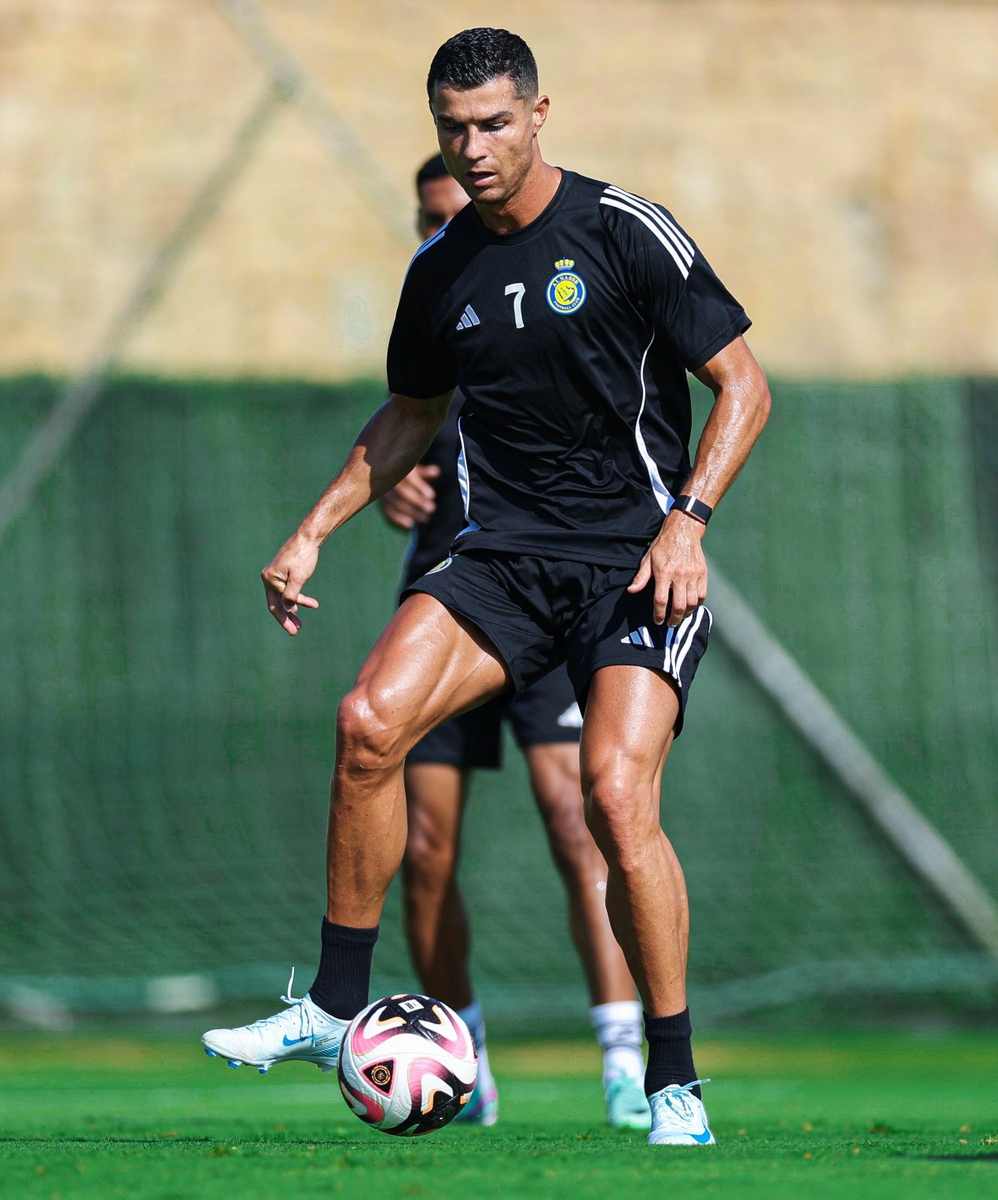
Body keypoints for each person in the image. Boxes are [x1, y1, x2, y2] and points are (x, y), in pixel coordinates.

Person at [204, 27, 770, 1147]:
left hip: (633, 565)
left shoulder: (624, 230)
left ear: (538, 115)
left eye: (494, 124)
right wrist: (311, 533)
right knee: (367, 723)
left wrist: (689, 522)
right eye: (453, 128)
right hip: (503, 558)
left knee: (613, 799)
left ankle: (670, 1078)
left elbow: (743, 386)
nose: (473, 148)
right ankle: (332, 1006)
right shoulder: (440, 268)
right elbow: (411, 414)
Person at [383, 154, 652, 1130]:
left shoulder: (547, 299)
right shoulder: (435, 304)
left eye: (455, 207)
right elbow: (402, 428)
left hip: (553, 595)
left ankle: (624, 1059)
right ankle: (458, 1062)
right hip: (451, 599)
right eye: (429, 215)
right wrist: (391, 488)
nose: (445, 224)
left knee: (582, 818)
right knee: (424, 849)